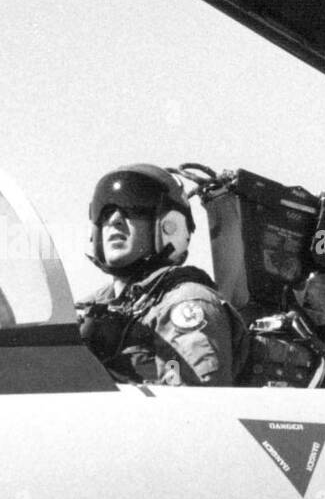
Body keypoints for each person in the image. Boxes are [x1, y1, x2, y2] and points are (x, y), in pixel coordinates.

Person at [77, 164, 246, 386]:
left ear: (170, 225)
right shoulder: (92, 307)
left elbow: (193, 407)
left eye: (133, 208)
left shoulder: (186, 303)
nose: (114, 220)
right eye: (105, 211)